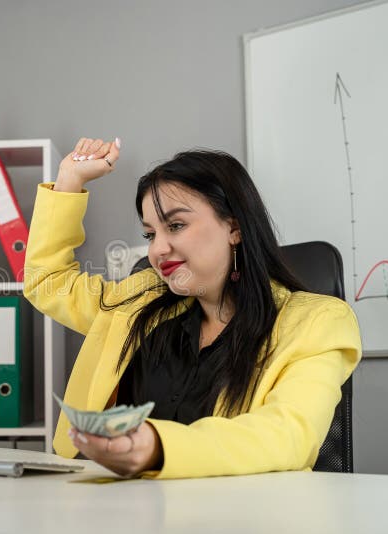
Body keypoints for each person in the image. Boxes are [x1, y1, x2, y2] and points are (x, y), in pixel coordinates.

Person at [23, 137, 362, 479]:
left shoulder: (317, 322)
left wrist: (156, 447)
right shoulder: (141, 300)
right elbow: (48, 283)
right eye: (149, 234)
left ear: (234, 228)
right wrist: (68, 180)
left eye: (176, 226)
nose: (157, 249)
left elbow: (288, 435)